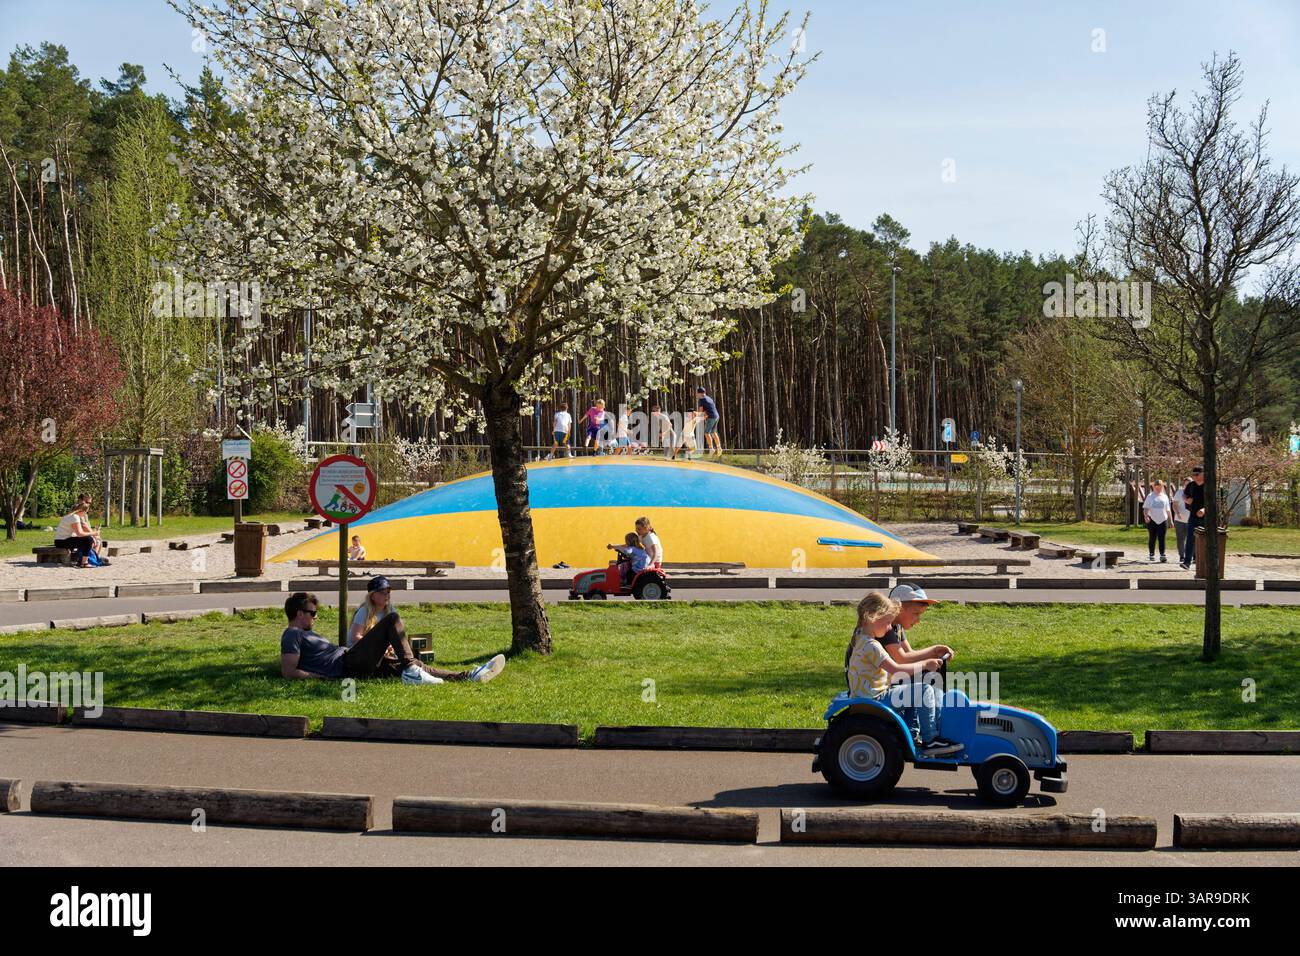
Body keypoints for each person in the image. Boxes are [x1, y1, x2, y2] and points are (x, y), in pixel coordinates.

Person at [283, 588, 505, 684]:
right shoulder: (292, 634)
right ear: (299, 613)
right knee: (392, 619)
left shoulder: (304, 633)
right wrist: (322, 677)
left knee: (413, 663)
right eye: (312, 613)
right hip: (347, 664)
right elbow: (288, 670)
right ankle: (411, 670)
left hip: (352, 660)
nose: (315, 617)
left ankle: (467, 676)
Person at [844, 592, 961, 757]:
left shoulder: (861, 639)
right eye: (886, 623)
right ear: (871, 617)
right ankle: (931, 740)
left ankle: (913, 735)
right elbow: (897, 668)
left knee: (913, 688)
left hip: (871, 694)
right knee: (924, 690)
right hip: (876, 698)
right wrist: (925, 665)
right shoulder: (872, 646)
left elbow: (893, 669)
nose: (888, 629)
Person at [881, 583, 954, 748]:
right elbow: (902, 659)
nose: (918, 620)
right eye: (915, 614)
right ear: (898, 608)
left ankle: (926, 730)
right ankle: (931, 737)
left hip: (892, 678)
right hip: (882, 684)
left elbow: (910, 653)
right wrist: (932, 654)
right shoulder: (885, 628)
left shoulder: (896, 626)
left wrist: (934, 652)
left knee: (931, 679)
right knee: (927, 683)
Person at [53, 499, 99, 569]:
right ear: (83, 511)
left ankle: (81, 559)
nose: (85, 514)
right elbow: (80, 533)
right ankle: (84, 563)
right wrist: (94, 533)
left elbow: (75, 533)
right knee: (88, 540)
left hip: (59, 541)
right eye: (86, 512)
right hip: (62, 541)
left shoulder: (69, 516)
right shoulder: (75, 517)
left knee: (86, 539)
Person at [1179, 466, 1207, 569]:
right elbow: (1183, 495)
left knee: (1206, 540)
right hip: (1193, 516)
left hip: (1207, 518)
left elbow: (1214, 502)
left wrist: (1204, 510)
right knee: (1190, 539)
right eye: (1193, 475)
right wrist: (1186, 500)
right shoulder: (1191, 485)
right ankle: (1187, 563)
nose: (1195, 476)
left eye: (1197, 474)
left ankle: (1206, 563)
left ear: (1203, 474)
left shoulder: (1208, 485)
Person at [1142, 479, 1172, 563]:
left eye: (1160, 487)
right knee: (1152, 537)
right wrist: (1146, 516)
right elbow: (1146, 508)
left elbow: (1168, 510)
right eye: (1157, 487)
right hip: (1152, 520)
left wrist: (1171, 521)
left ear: (1162, 487)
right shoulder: (1150, 496)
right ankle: (1151, 554)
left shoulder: (1165, 497)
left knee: (1162, 538)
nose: (1158, 489)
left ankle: (1162, 554)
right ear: (1154, 487)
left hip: (1163, 520)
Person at [696, 386, 722, 457]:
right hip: (716, 416)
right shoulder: (709, 398)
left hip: (711, 417)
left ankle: (711, 449)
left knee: (707, 433)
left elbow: (701, 411)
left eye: (697, 394)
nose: (697, 395)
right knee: (713, 432)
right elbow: (709, 409)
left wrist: (696, 415)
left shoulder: (701, 399)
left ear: (700, 393)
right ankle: (719, 448)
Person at [1171, 475, 1191, 562]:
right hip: (1179, 520)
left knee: (1191, 539)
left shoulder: (1194, 493)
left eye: (1189, 484)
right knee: (1180, 538)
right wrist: (1178, 513)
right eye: (1186, 485)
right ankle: (1181, 555)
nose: (1187, 486)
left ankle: (1192, 556)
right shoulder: (1179, 493)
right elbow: (1174, 505)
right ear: (1183, 485)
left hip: (1191, 520)